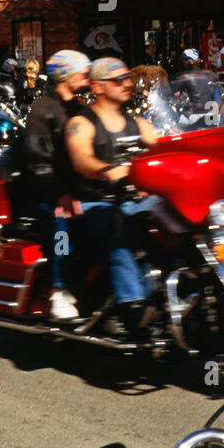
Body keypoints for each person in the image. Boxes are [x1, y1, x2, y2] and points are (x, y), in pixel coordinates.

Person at [65, 57, 158, 337]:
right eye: (119, 79)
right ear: (98, 86)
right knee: (118, 225)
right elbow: (81, 157)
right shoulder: (81, 122)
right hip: (96, 203)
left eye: (129, 78)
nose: (128, 84)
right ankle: (132, 306)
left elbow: (165, 146)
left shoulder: (138, 122)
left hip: (134, 200)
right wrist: (107, 170)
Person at [22, 50, 91, 320]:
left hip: (77, 188)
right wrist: (59, 195)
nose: (86, 75)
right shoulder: (42, 108)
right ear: (66, 75)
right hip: (44, 191)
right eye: (81, 71)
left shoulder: (80, 108)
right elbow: (36, 160)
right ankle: (60, 288)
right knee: (60, 223)